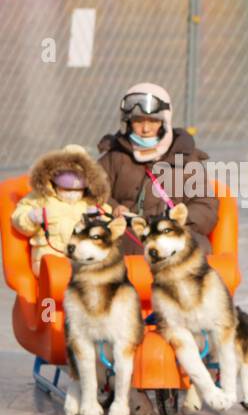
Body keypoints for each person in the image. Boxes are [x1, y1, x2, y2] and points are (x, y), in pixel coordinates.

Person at [97, 83, 219, 254]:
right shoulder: (115, 156)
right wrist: (114, 207)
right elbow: (94, 193)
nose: (146, 129)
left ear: (164, 122)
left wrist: (178, 220)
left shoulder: (186, 158)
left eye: (153, 121)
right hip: (128, 232)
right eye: (138, 120)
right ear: (128, 123)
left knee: (197, 250)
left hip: (174, 232)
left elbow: (206, 206)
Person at [10, 145, 112, 274]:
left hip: (82, 258)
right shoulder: (42, 198)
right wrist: (31, 217)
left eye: (77, 190)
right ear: (54, 183)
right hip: (49, 258)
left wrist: (100, 219)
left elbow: (109, 221)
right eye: (66, 189)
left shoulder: (90, 202)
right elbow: (19, 215)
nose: (71, 194)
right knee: (57, 275)